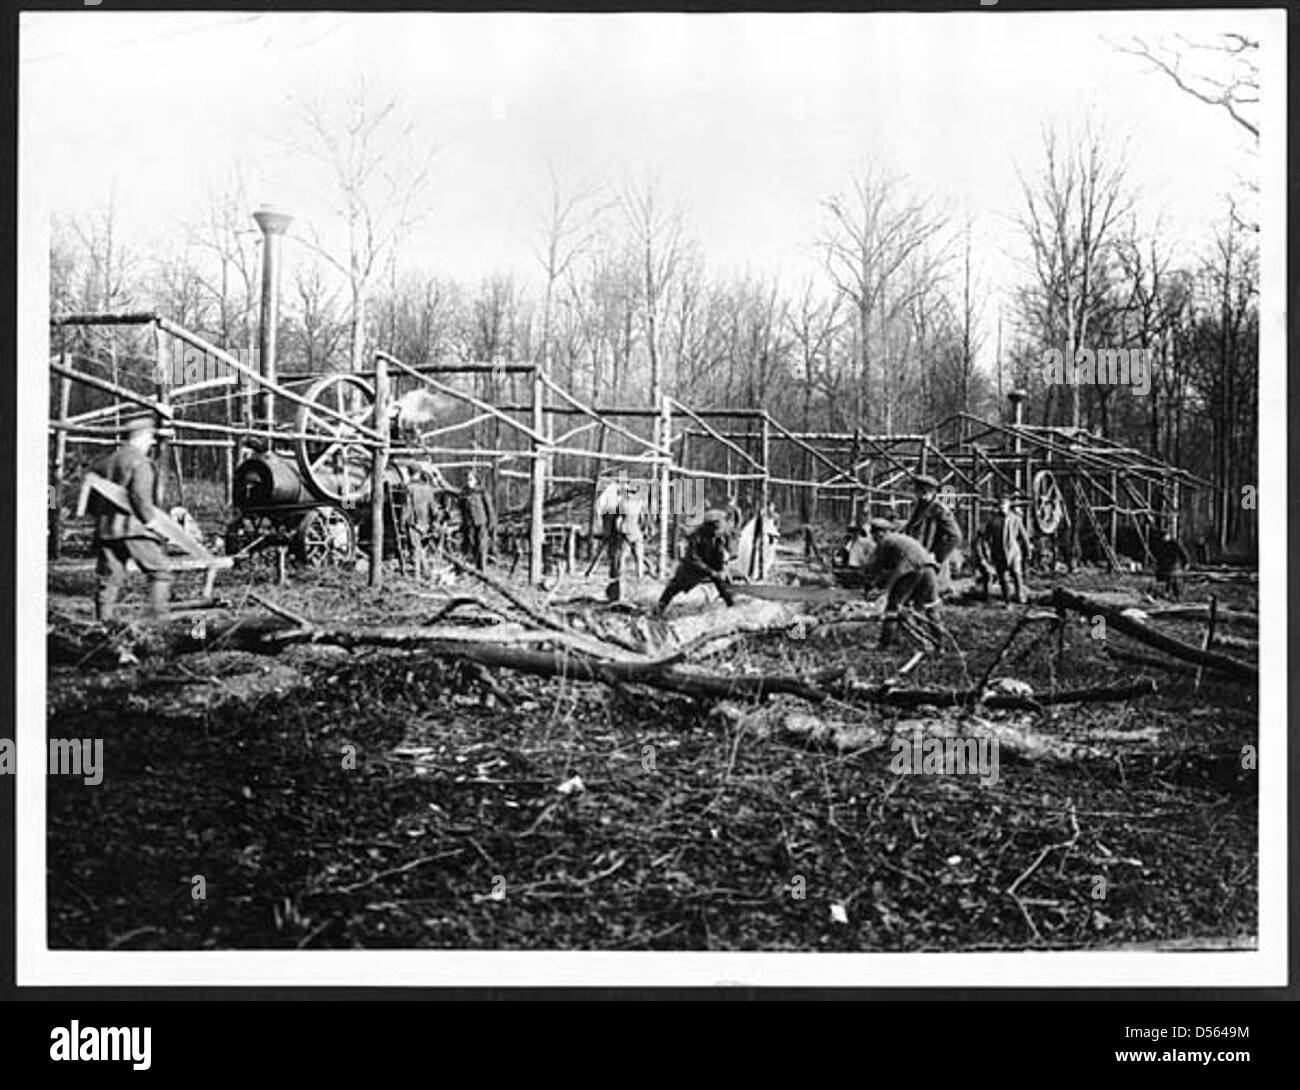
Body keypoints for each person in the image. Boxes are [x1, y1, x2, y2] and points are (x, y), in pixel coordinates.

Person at [87, 415, 174, 622]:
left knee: (109, 579)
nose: (150, 443)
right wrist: (151, 522)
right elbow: (140, 497)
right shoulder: (140, 463)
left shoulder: (103, 463)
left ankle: (103, 625)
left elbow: (90, 503)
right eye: (149, 439)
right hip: (133, 529)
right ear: (141, 437)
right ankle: (158, 619)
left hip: (106, 531)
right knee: (160, 571)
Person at [861, 518, 942, 649]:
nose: (874, 540)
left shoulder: (885, 542)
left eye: (874, 536)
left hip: (911, 571)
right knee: (931, 607)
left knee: (892, 607)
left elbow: (876, 568)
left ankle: (884, 644)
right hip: (929, 568)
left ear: (880, 533)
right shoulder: (903, 539)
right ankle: (939, 644)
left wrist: (873, 586)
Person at [653, 508, 737, 615]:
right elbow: (692, 559)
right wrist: (712, 572)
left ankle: (732, 608)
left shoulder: (723, 536)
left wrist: (724, 568)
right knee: (673, 587)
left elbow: (724, 553)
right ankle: (659, 609)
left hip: (713, 566)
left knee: (724, 587)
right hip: (694, 568)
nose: (718, 531)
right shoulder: (697, 536)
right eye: (715, 528)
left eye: (720, 528)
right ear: (708, 527)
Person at [974, 495, 1033, 605]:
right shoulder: (993, 521)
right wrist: (986, 552)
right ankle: (1007, 601)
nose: (1002, 507)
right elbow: (986, 538)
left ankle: (1020, 595)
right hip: (998, 552)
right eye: (1000, 505)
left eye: (1004, 505)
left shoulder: (1016, 519)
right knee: (1003, 577)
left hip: (1013, 552)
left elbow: (1024, 536)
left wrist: (1028, 551)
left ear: (1008, 505)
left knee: (1016, 573)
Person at [460, 469, 496, 570]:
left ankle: (482, 568)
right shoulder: (464, 493)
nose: (468, 482)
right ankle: (475, 567)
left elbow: (489, 509)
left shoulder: (481, 492)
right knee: (472, 544)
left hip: (481, 522)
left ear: (475, 480)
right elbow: (462, 509)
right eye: (467, 480)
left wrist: (491, 523)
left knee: (482, 545)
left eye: (470, 480)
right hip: (469, 524)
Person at [1152, 526, 1192, 599]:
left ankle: (1172, 594)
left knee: (1172, 578)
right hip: (1164, 565)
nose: (1163, 539)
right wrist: (1157, 563)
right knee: (1168, 579)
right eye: (1162, 537)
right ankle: (1169, 593)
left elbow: (1182, 553)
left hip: (1174, 564)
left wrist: (1186, 562)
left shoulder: (1174, 543)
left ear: (1168, 536)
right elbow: (1158, 555)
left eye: (1165, 536)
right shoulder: (1161, 544)